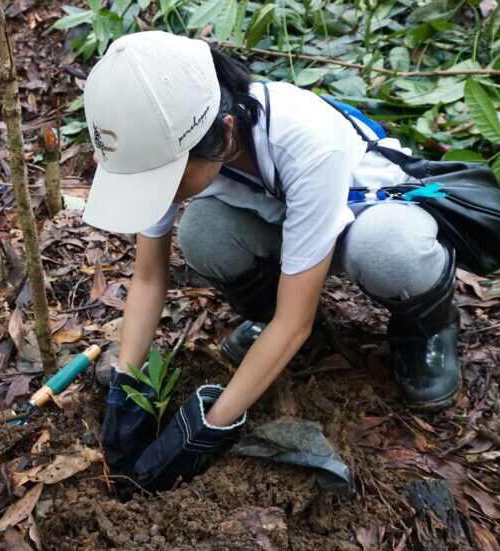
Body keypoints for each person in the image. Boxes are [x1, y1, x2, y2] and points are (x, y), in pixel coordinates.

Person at [83, 31, 461, 496]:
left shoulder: (304, 140)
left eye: (169, 181)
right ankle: (268, 327)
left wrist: (207, 429)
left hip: (364, 217)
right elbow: (147, 277)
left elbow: (293, 322)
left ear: (223, 132)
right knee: (203, 231)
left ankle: (425, 329)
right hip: (285, 228)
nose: (161, 195)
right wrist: (128, 386)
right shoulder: (164, 144)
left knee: (388, 251)